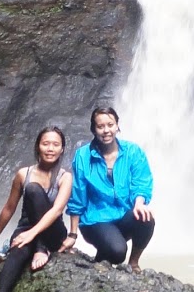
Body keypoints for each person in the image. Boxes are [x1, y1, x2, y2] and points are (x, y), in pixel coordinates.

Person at [0, 125, 72, 292]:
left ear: (62, 149)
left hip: (53, 231)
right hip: (26, 227)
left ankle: (42, 247)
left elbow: (57, 210)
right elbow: (9, 208)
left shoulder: (65, 177)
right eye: (46, 143)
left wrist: (33, 235)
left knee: (33, 190)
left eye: (55, 144)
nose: (50, 148)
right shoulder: (24, 174)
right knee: (17, 253)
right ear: (38, 146)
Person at [64, 102, 155, 271]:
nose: (106, 130)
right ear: (93, 129)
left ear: (117, 126)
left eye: (110, 125)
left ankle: (134, 263)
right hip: (95, 220)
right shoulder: (83, 156)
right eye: (100, 126)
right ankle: (108, 250)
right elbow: (77, 194)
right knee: (117, 252)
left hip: (123, 214)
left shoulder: (133, 151)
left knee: (146, 218)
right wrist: (73, 234)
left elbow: (141, 182)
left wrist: (139, 203)